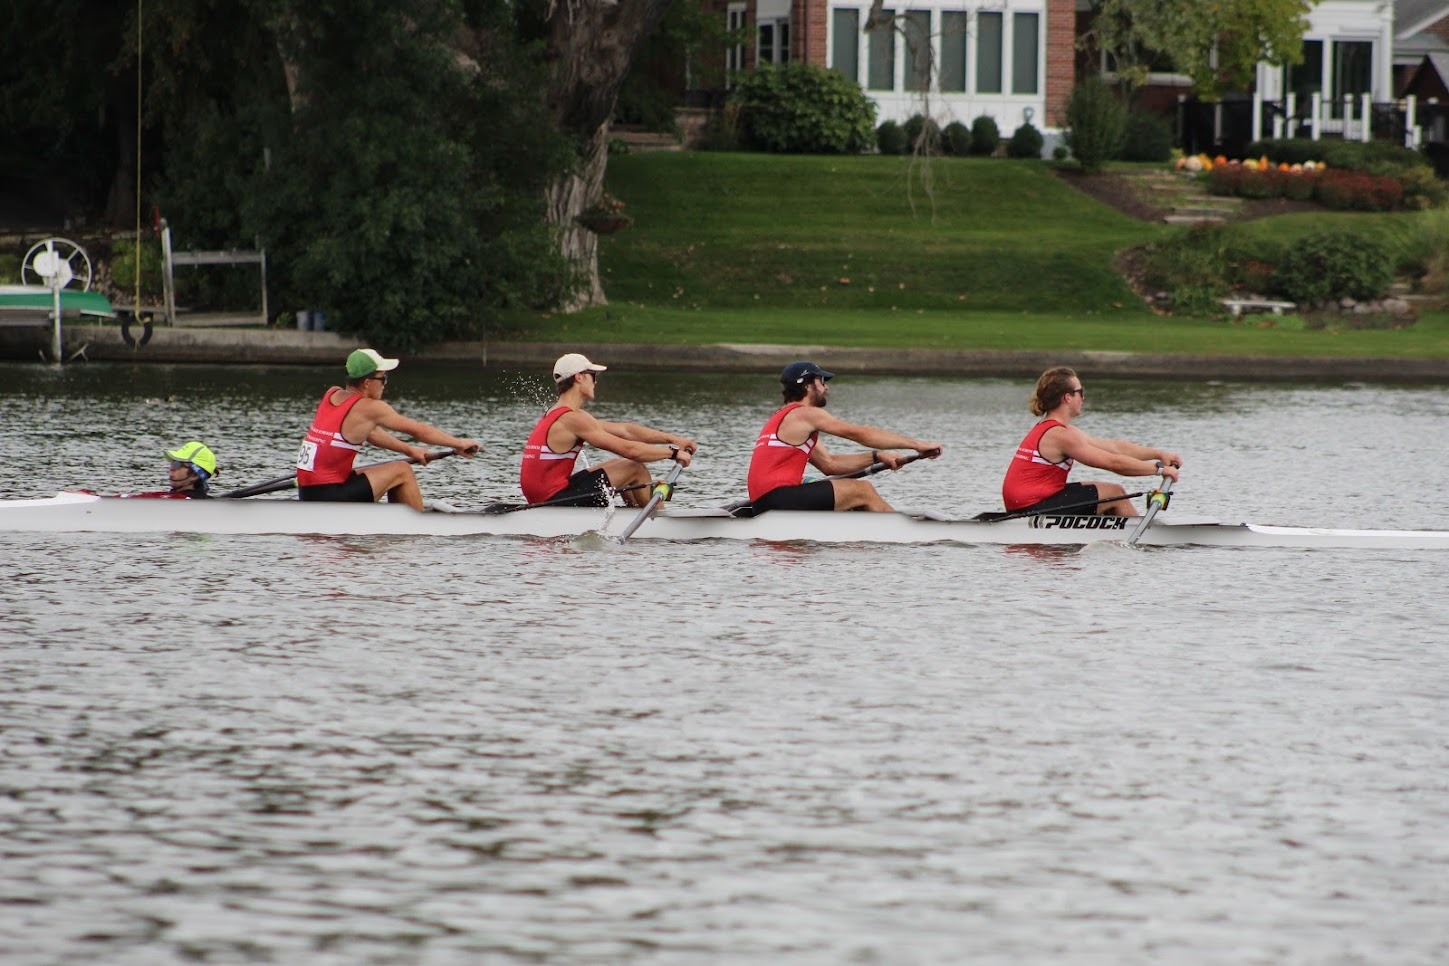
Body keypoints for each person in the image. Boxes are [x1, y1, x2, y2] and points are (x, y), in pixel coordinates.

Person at [746, 361, 943, 513]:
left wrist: (877, 456)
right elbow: (860, 434)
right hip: (776, 498)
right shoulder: (805, 414)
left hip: (765, 500)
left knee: (839, 491)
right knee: (862, 490)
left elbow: (830, 464)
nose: (826, 388)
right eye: (821, 382)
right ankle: (904, 535)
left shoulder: (785, 417)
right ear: (807, 386)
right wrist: (917, 445)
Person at [296, 348, 480, 509]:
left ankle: (398, 519)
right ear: (367, 383)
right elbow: (417, 430)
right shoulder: (370, 407)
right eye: (383, 378)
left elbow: (372, 433)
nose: (385, 384)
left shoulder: (332, 394)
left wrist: (410, 450)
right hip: (328, 496)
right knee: (402, 470)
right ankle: (419, 530)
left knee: (384, 469)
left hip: (308, 492)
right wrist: (459, 443)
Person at [520, 353, 697, 508]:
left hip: (547, 494)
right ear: (579, 377)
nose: (595, 382)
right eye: (593, 376)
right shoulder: (572, 419)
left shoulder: (560, 413)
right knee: (634, 468)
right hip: (551, 499)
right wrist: (673, 454)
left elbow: (625, 431)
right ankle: (657, 519)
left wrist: (672, 439)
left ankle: (637, 513)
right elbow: (631, 450)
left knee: (619, 465)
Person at [1002, 366, 1181, 517]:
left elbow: (1115, 448)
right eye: (1081, 392)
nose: (1083, 398)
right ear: (1067, 397)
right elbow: (1114, 463)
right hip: (1029, 508)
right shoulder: (1060, 435)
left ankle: (1113, 531)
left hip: (1031, 502)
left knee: (1101, 489)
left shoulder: (1060, 430)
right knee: (1115, 492)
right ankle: (1145, 538)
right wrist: (1158, 470)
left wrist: (1158, 454)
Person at [120, 441, 220, 499]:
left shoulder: (182, 500)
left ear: (194, 476)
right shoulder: (175, 498)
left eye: (178, 464)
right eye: (172, 463)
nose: (171, 468)